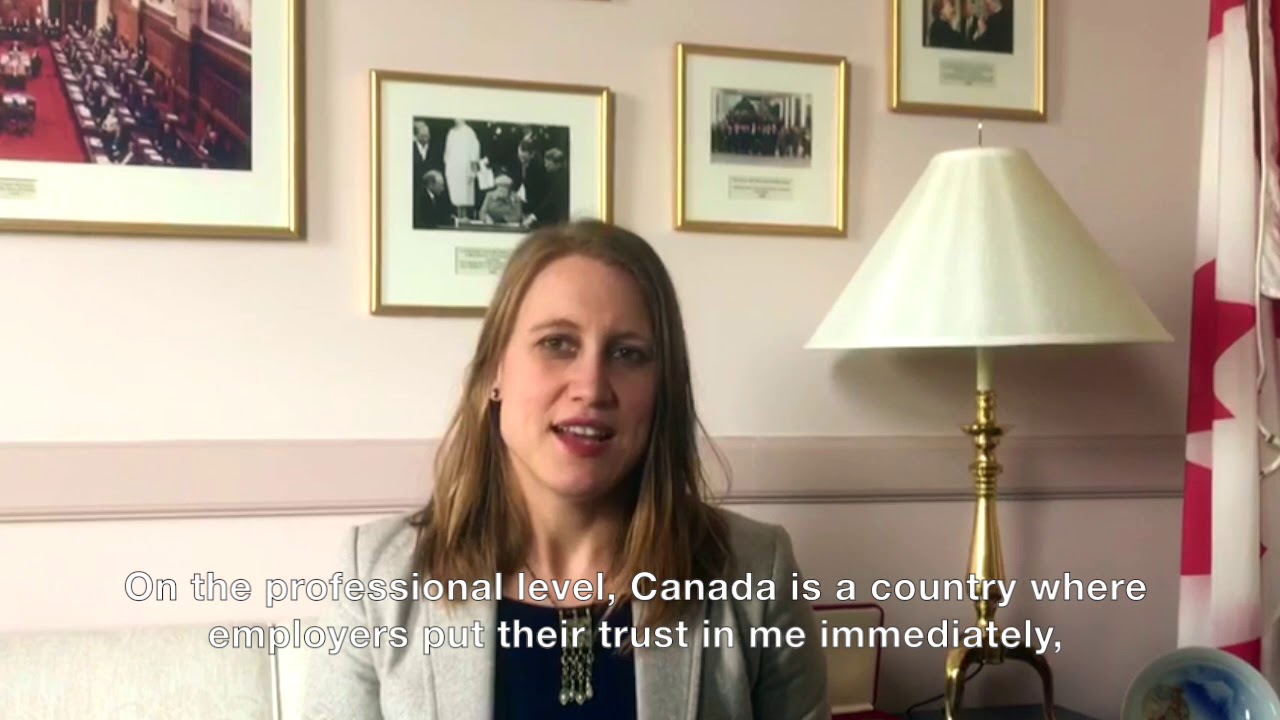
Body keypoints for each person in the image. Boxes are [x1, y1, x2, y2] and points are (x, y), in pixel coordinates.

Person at [301, 220, 829, 719]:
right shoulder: (376, 577)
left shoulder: (759, 574)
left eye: (628, 353)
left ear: (663, 390)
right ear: (494, 373)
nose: (592, 387)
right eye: (558, 343)